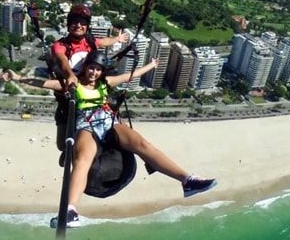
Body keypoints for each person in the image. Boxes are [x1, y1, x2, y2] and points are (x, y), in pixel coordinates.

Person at [55, 50, 217, 227]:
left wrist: (151, 65)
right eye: (91, 68)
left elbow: (130, 76)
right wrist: (28, 77)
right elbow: (46, 84)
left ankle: (187, 180)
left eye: (98, 69)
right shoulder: (74, 84)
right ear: (84, 68)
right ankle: (70, 210)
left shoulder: (105, 83)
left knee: (143, 144)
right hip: (86, 125)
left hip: (108, 121)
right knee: (82, 160)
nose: (94, 72)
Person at [50, 4, 129, 88]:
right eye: (75, 21)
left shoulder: (89, 42)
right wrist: (70, 75)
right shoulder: (60, 45)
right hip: (71, 88)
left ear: (87, 26)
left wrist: (118, 38)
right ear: (69, 24)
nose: (78, 25)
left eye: (83, 22)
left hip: (89, 87)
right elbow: (62, 60)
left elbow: (104, 41)